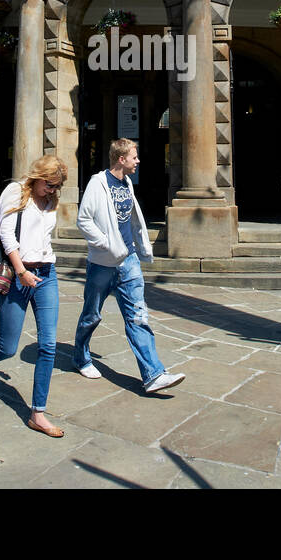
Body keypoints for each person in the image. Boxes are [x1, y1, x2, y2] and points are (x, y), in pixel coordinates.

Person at [0, 156, 67, 437]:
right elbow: (7, 235)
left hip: (46, 274)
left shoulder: (50, 199)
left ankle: (38, 413)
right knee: (7, 347)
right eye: (50, 185)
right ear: (38, 176)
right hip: (17, 275)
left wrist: (42, 267)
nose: (53, 190)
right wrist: (21, 271)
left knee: (48, 345)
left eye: (57, 186)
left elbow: (43, 238)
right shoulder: (16, 191)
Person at [74, 139, 185, 394]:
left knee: (138, 316)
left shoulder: (127, 183)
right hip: (103, 263)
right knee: (91, 315)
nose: (138, 161)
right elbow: (84, 219)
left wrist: (136, 246)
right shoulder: (98, 183)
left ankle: (153, 374)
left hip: (129, 260)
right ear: (121, 159)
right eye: (134, 157)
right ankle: (80, 357)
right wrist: (105, 244)